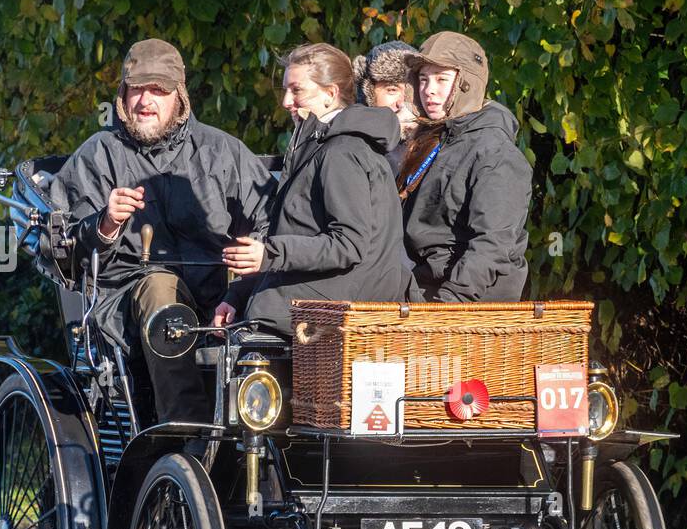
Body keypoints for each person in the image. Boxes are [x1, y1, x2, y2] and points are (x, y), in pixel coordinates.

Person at [46, 38, 274, 423]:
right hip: (122, 307)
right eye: (136, 90)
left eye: (158, 90)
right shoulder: (98, 155)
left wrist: (239, 291)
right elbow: (58, 254)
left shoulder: (222, 151)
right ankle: (186, 435)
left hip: (217, 303)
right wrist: (104, 224)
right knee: (158, 285)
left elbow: (272, 223)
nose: (145, 101)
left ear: (179, 97)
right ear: (122, 96)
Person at [214, 43, 408, 336]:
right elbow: (298, 240)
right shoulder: (322, 146)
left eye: (297, 90)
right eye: (285, 90)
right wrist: (238, 296)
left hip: (341, 318)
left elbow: (349, 245)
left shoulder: (343, 151)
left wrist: (269, 254)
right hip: (320, 302)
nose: (286, 102)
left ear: (331, 93)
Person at [397, 31, 533, 303]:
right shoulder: (434, 139)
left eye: (441, 79)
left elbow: (492, 244)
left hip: (466, 306)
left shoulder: (495, 152)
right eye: (423, 79)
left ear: (466, 85)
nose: (428, 90)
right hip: (419, 291)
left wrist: (449, 306)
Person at [352, 40, 419, 176]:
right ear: (368, 94)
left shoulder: (437, 144)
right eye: (392, 90)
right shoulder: (351, 149)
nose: (402, 102)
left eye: (410, 90)